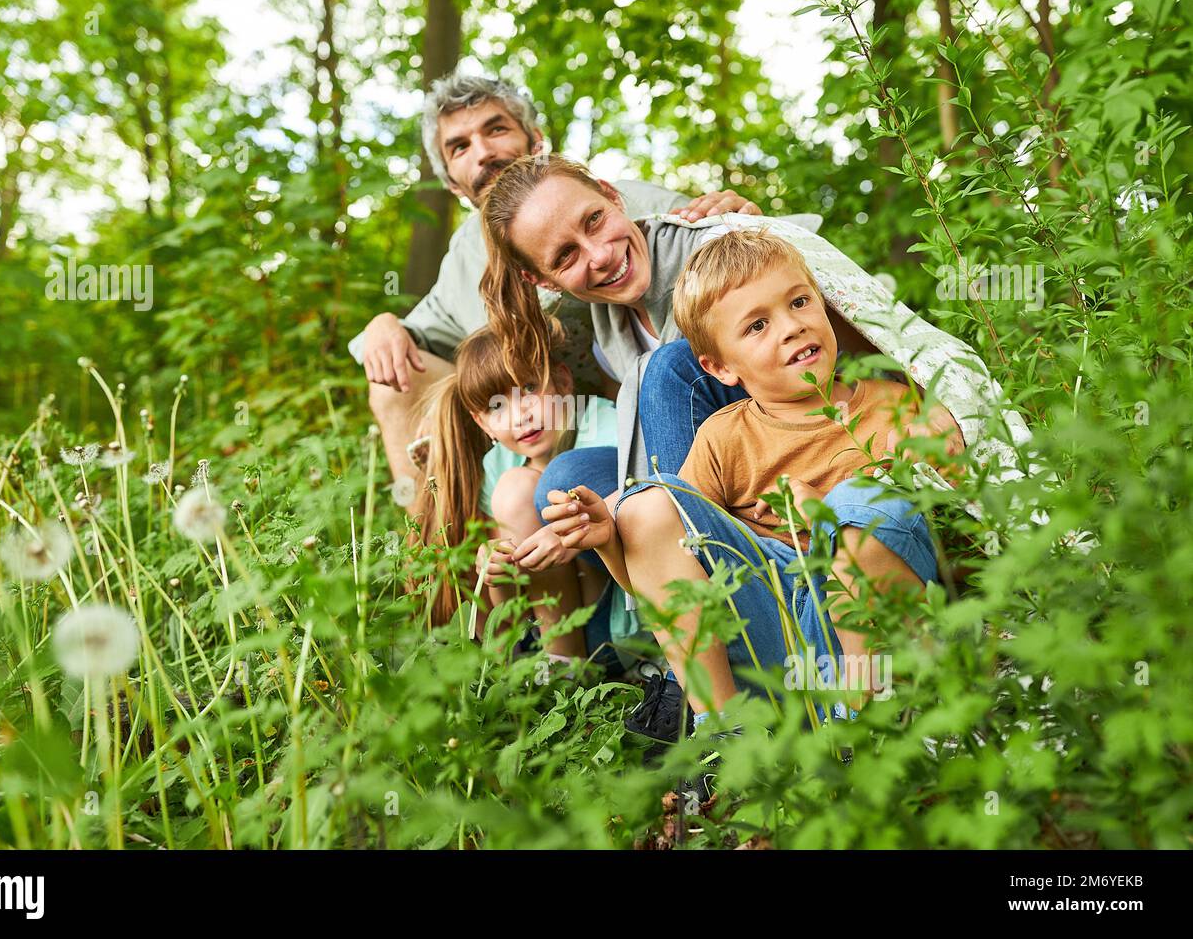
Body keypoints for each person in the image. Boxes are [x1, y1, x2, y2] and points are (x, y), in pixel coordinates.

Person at [541, 227, 966, 728]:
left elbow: (954, 522)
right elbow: (668, 569)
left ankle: (865, 724)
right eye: (758, 325)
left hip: (876, 632)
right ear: (719, 367)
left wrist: (824, 513)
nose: (792, 327)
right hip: (773, 629)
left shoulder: (897, 406)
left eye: (800, 302)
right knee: (648, 505)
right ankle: (723, 730)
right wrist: (612, 540)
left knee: (866, 506)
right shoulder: (725, 438)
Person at [352, 73, 761, 513]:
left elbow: (722, 244)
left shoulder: (618, 205)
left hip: (644, 417)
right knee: (392, 384)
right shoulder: (464, 258)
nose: (484, 152)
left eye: (496, 128)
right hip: (534, 438)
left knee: (657, 380)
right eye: (460, 146)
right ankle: (437, 558)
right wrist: (383, 324)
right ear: (452, 182)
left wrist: (739, 221)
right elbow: (421, 333)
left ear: (536, 141)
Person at [417, 326, 622, 670]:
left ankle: (564, 669)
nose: (520, 415)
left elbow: (644, 493)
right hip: (543, 622)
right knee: (499, 521)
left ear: (563, 381)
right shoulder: (499, 464)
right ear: (482, 424)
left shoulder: (601, 424)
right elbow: (512, 592)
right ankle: (516, 668)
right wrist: (493, 564)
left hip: (615, 614)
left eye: (528, 389)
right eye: (497, 406)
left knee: (545, 484)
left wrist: (571, 534)